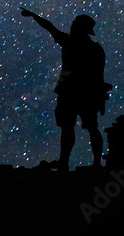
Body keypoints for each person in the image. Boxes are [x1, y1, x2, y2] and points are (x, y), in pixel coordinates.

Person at [21, 9, 112, 170]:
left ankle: (64, 162)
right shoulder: (96, 49)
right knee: (91, 127)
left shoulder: (70, 42)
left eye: (74, 25)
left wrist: (34, 16)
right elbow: (100, 74)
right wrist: (100, 96)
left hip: (69, 91)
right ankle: (96, 163)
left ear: (78, 28)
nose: (71, 27)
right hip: (89, 93)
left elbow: (50, 27)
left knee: (68, 127)